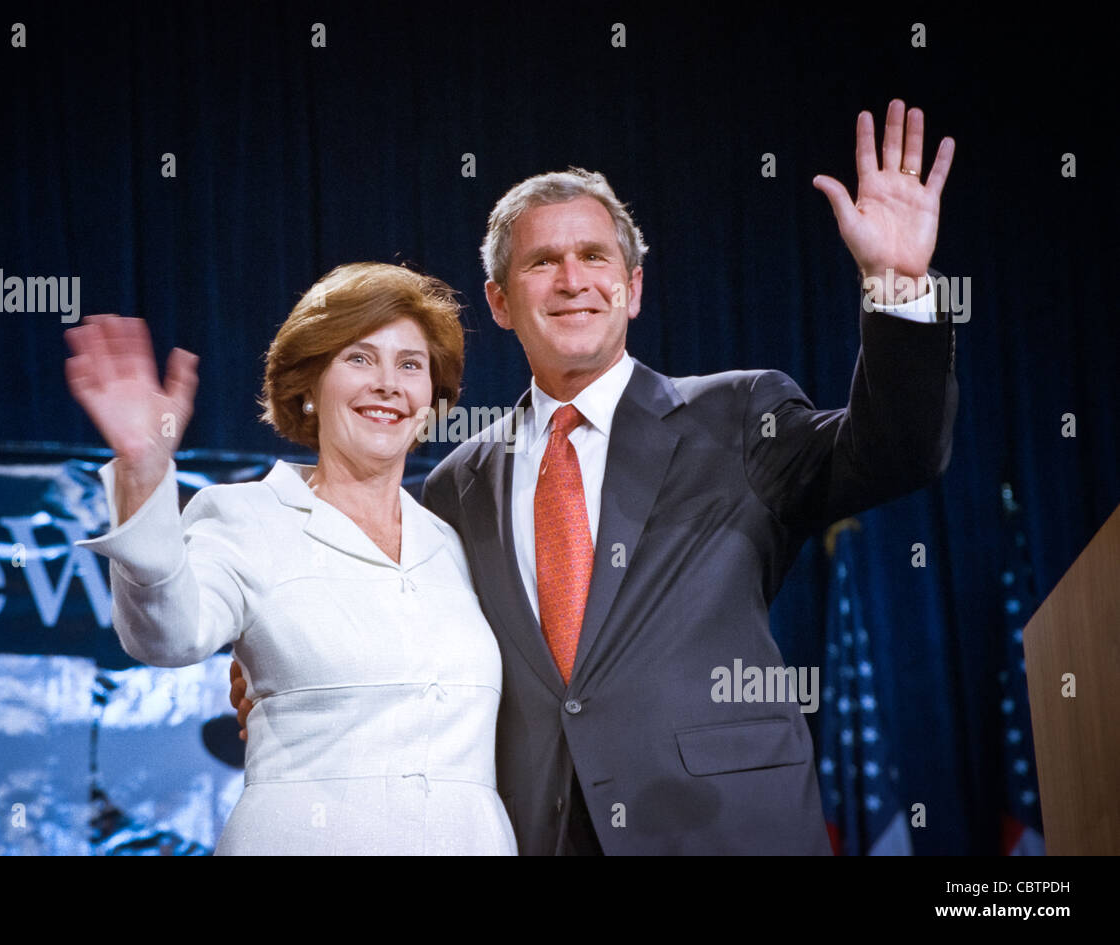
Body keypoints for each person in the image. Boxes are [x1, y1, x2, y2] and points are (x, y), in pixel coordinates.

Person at [231, 99, 959, 854]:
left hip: (722, 828)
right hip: (534, 831)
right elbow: (410, 638)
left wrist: (898, 288)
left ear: (633, 288)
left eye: (594, 256)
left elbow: (897, 452)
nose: (572, 279)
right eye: (542, 262)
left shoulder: (740, 414)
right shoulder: (455, 481)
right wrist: (284, 669)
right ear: (501, 301)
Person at [67, 262, 517, 855]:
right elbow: (166, 636)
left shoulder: (455, 541)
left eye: (410, 365)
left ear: (432, 398)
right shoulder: (246, 516)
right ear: (308, 387)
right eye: (359, 359)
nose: (387, 383)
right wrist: (144, 475)